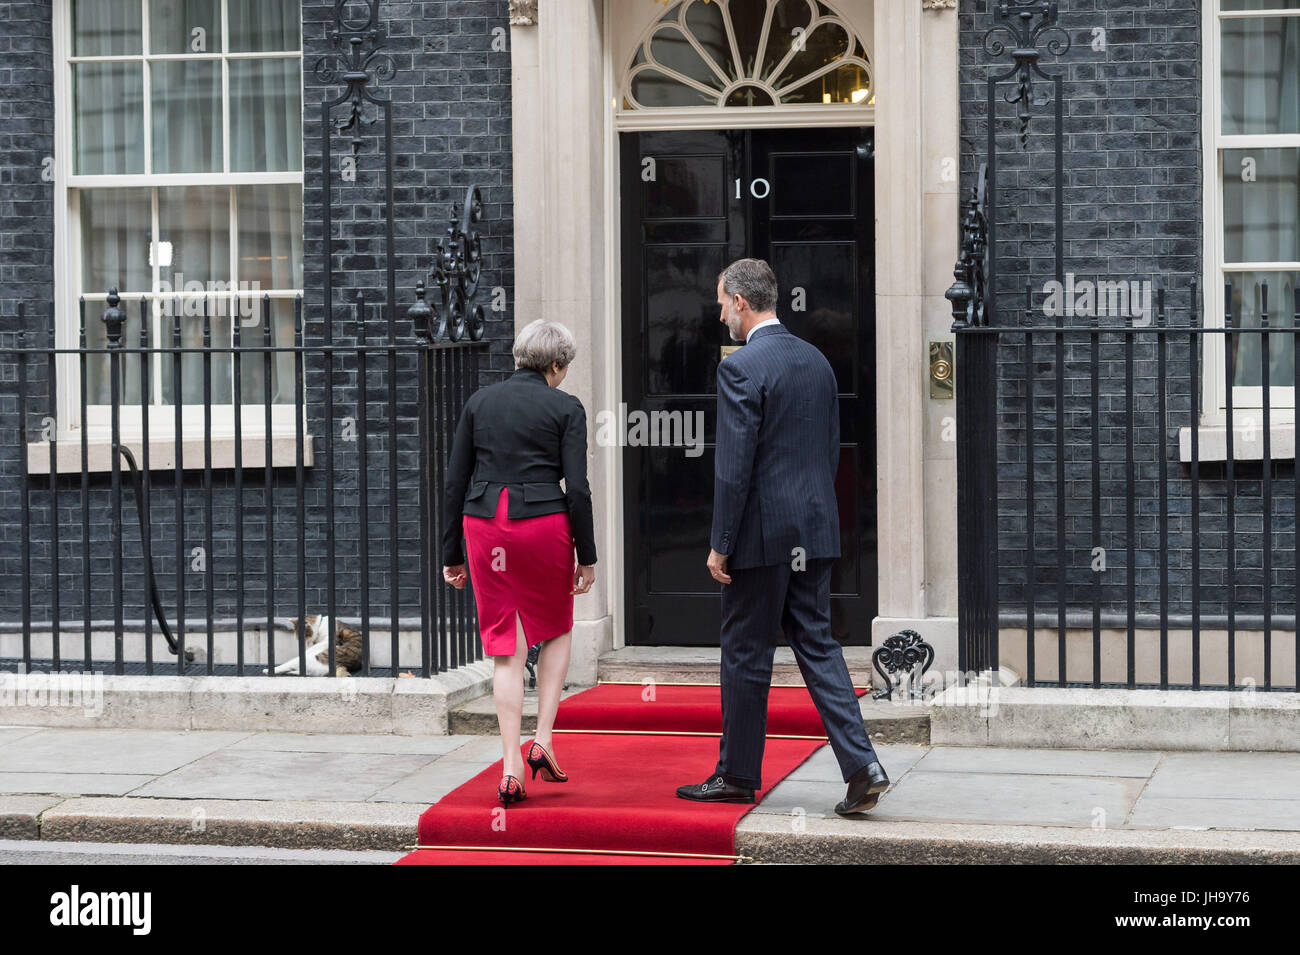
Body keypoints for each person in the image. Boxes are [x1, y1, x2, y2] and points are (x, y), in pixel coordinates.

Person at [675, 258, 890, 816]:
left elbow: (735, 464)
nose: (720, 313)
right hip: (814, 529)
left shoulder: (742, 367)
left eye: (723, 302)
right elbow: (827, 448)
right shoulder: (816, 360)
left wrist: (721, 542)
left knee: (746, 653)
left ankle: (738, 776)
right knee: (818, 644)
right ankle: (862, 765)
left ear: (742, 303)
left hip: (762, 535)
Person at [441, 319, 597, 807]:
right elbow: (580, 490)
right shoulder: (566, 407)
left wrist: (451, 554)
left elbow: (453, 482)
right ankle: (543, 740)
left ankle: (510, 769)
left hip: (485, 526)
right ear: (555, 364)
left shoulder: (479, 402)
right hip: (543, 525)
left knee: (504, 645)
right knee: (556, 627)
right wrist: (586, 557)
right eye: (565, 366)